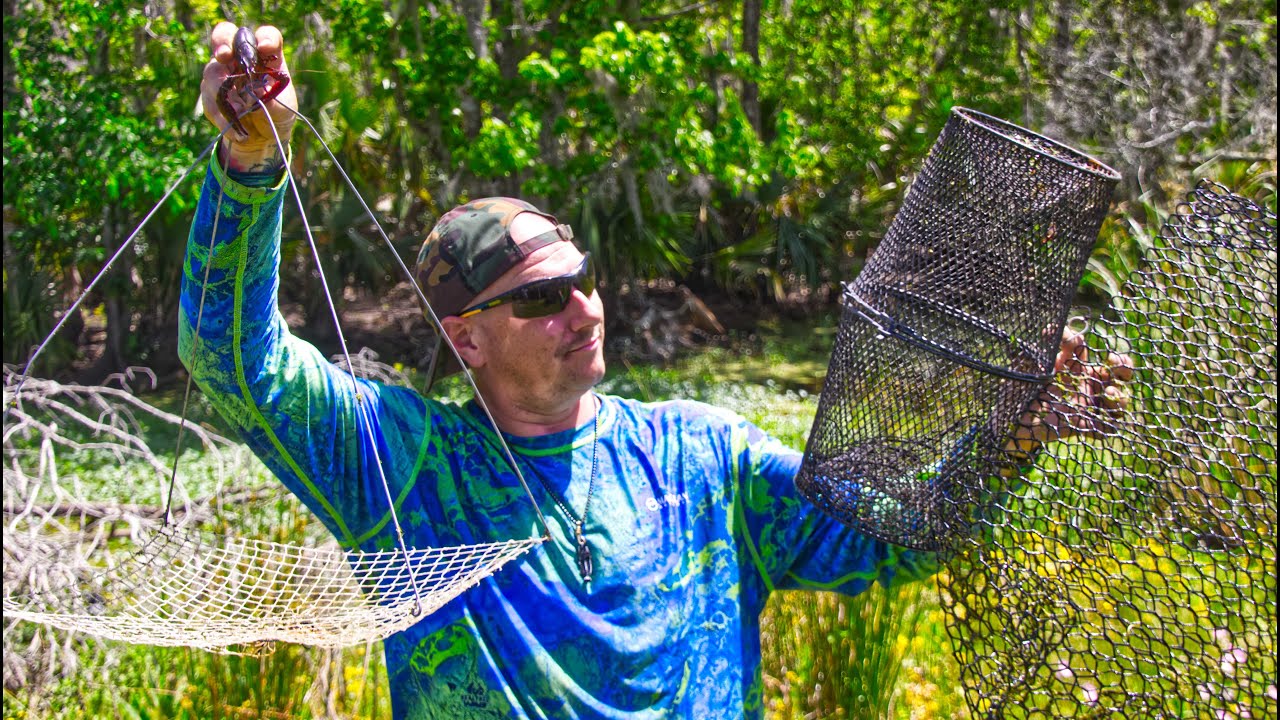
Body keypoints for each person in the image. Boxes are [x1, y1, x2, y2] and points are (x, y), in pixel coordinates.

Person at [180, 22, 1129, 719]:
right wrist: (250, 164)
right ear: (467, 341)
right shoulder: (403, 469)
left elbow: (886, 541)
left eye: (583, 281)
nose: (583, 310)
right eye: (542, 299)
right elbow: (231, 360)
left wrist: (1005, 443)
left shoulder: (702, 456)